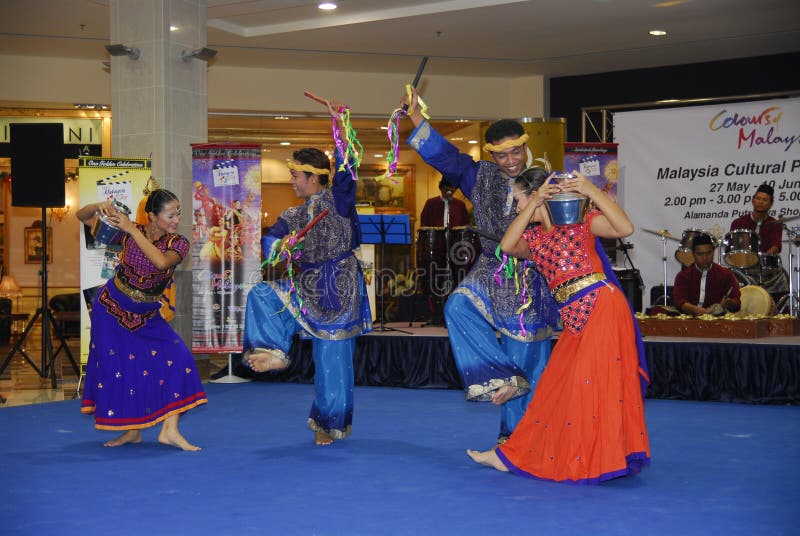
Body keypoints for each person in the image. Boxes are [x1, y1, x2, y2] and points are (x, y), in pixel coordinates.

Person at [467, 167, 651, 484]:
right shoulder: (535, 240)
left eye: (519, 201)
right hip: (577, 320)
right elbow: (507, 247)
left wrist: (592, 192)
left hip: (603, 308)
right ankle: (510, 455)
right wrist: (536, 200)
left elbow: (625, 227)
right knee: (555, 388)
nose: (517, 208)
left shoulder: (582, 225)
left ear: (542, 197)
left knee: (591, 388)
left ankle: (598, 458)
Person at [403, 87, 559, 444]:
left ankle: (520, 438)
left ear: (524, 146)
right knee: (457, 305)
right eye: (501, 155)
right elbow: (445, 157)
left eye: (515, 151)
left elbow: (561, 233)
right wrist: (416, 117)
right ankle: (499, 375)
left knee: (529, 356)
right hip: (492, 267)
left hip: (531, 276)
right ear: (492, 155)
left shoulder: (544, 180)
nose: (510, 161)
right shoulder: (480, 177)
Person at [242, 96, 372, 446]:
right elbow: (270, 241)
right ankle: (274, 351)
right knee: (263, 292)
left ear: (314, 178)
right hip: (307, 283)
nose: (292, 182)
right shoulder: (295, 214)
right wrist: (277, 248)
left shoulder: (338, 201)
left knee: (332, 358)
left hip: (339, 284)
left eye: (296, 176)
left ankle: (329, 423)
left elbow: (347, 168)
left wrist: (340, 127)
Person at [77, 189, 207, 451]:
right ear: (152, 216)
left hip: (147, 315)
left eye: (178, 213)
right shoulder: (127, 231)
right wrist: (98, 205)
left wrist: (132, 230)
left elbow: (160, 263)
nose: (176, 219)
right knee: (121, 369)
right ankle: (132, 432)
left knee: (179, 357)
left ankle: (169, 431)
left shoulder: (177, 243)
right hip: (111, 309)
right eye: (170, 214)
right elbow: (82, 217)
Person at [673, 233, 741, 316]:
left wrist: (729, 303)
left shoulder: (726, 274)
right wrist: (695, 310)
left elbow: (736, 301)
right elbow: (679, 301)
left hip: (717, 321)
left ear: (713, 252)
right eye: (700, 254)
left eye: (708, 253)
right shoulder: (683, 276)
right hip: (690, 319)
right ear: (693, 254)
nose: (705, 258)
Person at [730, 183, 782, 255]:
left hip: (765, 263)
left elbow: (775, 246)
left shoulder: (775, 224)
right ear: (753, 200)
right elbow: (733, 247)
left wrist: (763, 259)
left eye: (765, 200)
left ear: (771, 203)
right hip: (743, 262)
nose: (760, 202)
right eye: (758, 198)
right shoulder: (738, 223)